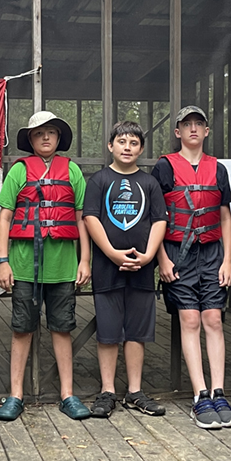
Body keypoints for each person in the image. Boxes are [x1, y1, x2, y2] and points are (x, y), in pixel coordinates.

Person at [0, 111, 92, 421]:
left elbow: (81, 218)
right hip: (23, 267)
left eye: (51, 132)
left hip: (63, 267)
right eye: (39, 134)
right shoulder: (18, 172)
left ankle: (67, 394)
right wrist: (2, 262)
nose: (45, 137)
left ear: (59, 137)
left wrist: (85, 260)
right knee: (22, 330)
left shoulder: (73, 171)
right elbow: (5, 218)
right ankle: (15, 395)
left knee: (62, 329)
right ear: (31, 141)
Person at [153, 106, 231, 429]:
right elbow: (156, 218)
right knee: (189, 318)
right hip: (178, 252)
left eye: (198, 124)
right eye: (186, 124)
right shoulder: (165, 167)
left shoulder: (217, 169)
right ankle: (199, 395)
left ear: (206, 131)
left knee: (213, 318)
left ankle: (219, 392)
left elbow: (225, 215)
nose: (192, 129)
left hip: (212, 251)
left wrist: (227, 259)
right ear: (177, 132)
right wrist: (161, 258)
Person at [83, 120, 168, 418]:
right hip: (108, 269)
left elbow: (159, 220)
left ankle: (134, 391)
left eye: (133, 143)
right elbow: (91, 218)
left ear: (141, 149)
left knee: (136, 332)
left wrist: (147, 257)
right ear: (111, 146)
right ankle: (107, 391)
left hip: (142, 271)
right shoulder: (99, 180)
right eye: (122, 142)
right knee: (108, 332)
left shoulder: (149, 183)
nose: (127, 148)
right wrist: (111, 253)